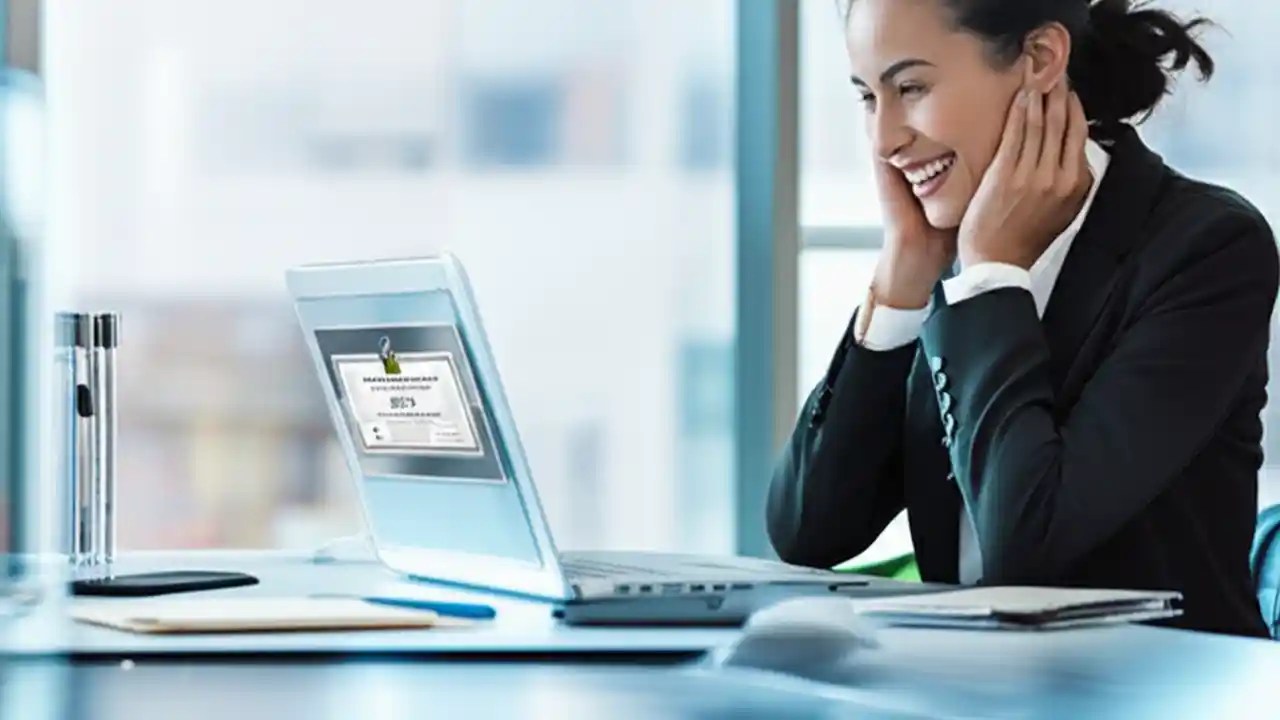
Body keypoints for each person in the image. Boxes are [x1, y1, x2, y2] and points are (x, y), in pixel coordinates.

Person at [767, 0, 1277, 637]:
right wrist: (902, 276)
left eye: (912, 87)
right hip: (960, 693)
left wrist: (990, 278)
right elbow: (810, 529)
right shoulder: (941, 245)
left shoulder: (1205, 249)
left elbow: (1026, 551)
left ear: (1040, 59)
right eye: (869, 97)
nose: (885, 139)